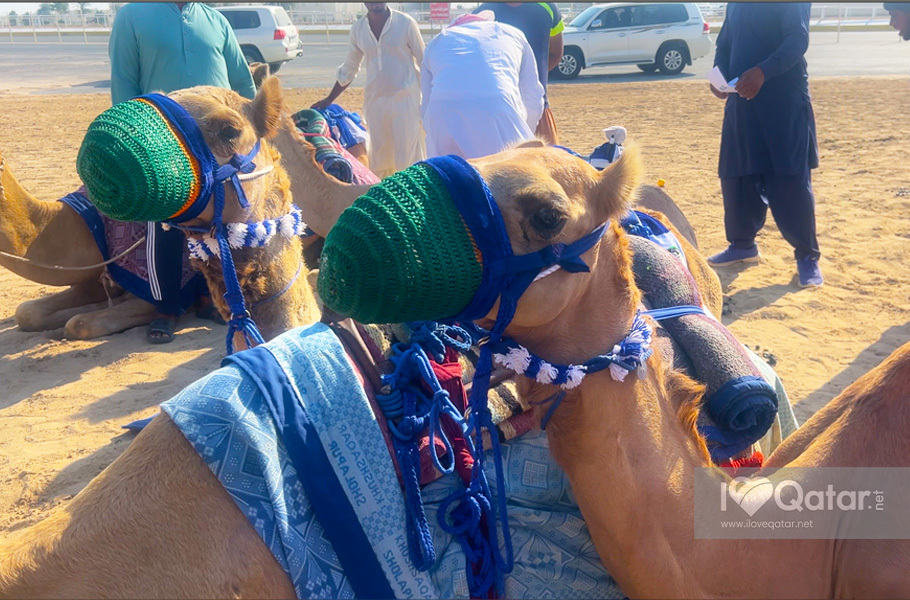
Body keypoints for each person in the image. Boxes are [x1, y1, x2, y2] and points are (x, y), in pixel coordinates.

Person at [109, 2, 256, 343]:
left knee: (223, 221)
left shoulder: (216, 21)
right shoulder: (133, 16)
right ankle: (166, 309)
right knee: (164, 224)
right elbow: (124, 82)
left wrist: (254, 127)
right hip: (164, 139)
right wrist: (132, 139)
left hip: (219, 143)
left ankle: (210, 299)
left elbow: (242, 82)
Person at [707, 2, 823, 288]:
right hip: (741, 100)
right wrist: (718, 75)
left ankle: (807, 257)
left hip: (783, 101)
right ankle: (742, 245)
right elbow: (725, 41)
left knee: (789, 178)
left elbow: (797, 40)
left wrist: (762, 72)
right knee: (737, 173)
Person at [312, 3, 426, 178]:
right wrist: (328, 100)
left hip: (405, 101)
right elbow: (350, 68)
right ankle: (386, 200)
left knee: (408, 157)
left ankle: (413, 200)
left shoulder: (405, 23)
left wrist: (430, 97)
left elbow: (423, 61)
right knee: (380, 158)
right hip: (376, 103)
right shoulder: (358, 30)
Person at [420, 12, 544, 159]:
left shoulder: (438, 41)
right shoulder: (513, 34)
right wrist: (524, 135)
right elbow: (533, 98)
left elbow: (426, 106)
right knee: (507, 174)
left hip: (443, 112)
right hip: (499, 107)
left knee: (450, 177)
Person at [475, 2, 564, 145]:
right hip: (501, 110)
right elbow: (555, 54)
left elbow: (555, 54)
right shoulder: (483, 12)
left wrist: (527, 79)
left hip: (520, 109)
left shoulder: (548, 7)